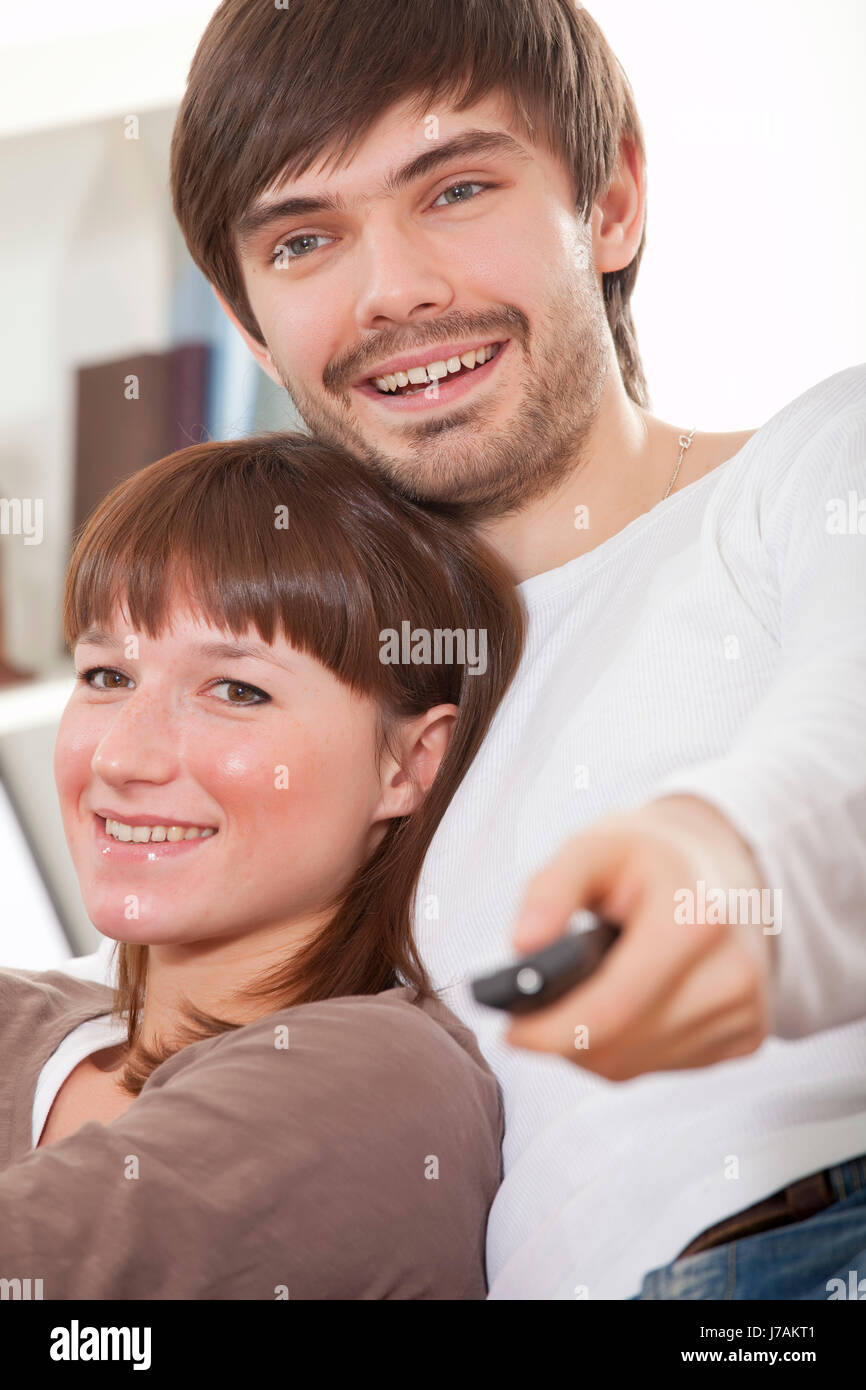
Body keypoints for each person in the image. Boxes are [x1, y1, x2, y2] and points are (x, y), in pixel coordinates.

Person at [74, 0, 866, 1299]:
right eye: (305, 236)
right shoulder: (322, 712)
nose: (394, 290)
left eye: (453, 187)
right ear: (249, 319)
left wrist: (723, 859)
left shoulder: (809, 469)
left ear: (607, 199)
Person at [0, 434, 527, 1299]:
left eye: (237, 691)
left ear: (406, 764)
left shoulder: (381, 1083)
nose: (123, 759)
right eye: (105, 675)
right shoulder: (20, 1019)